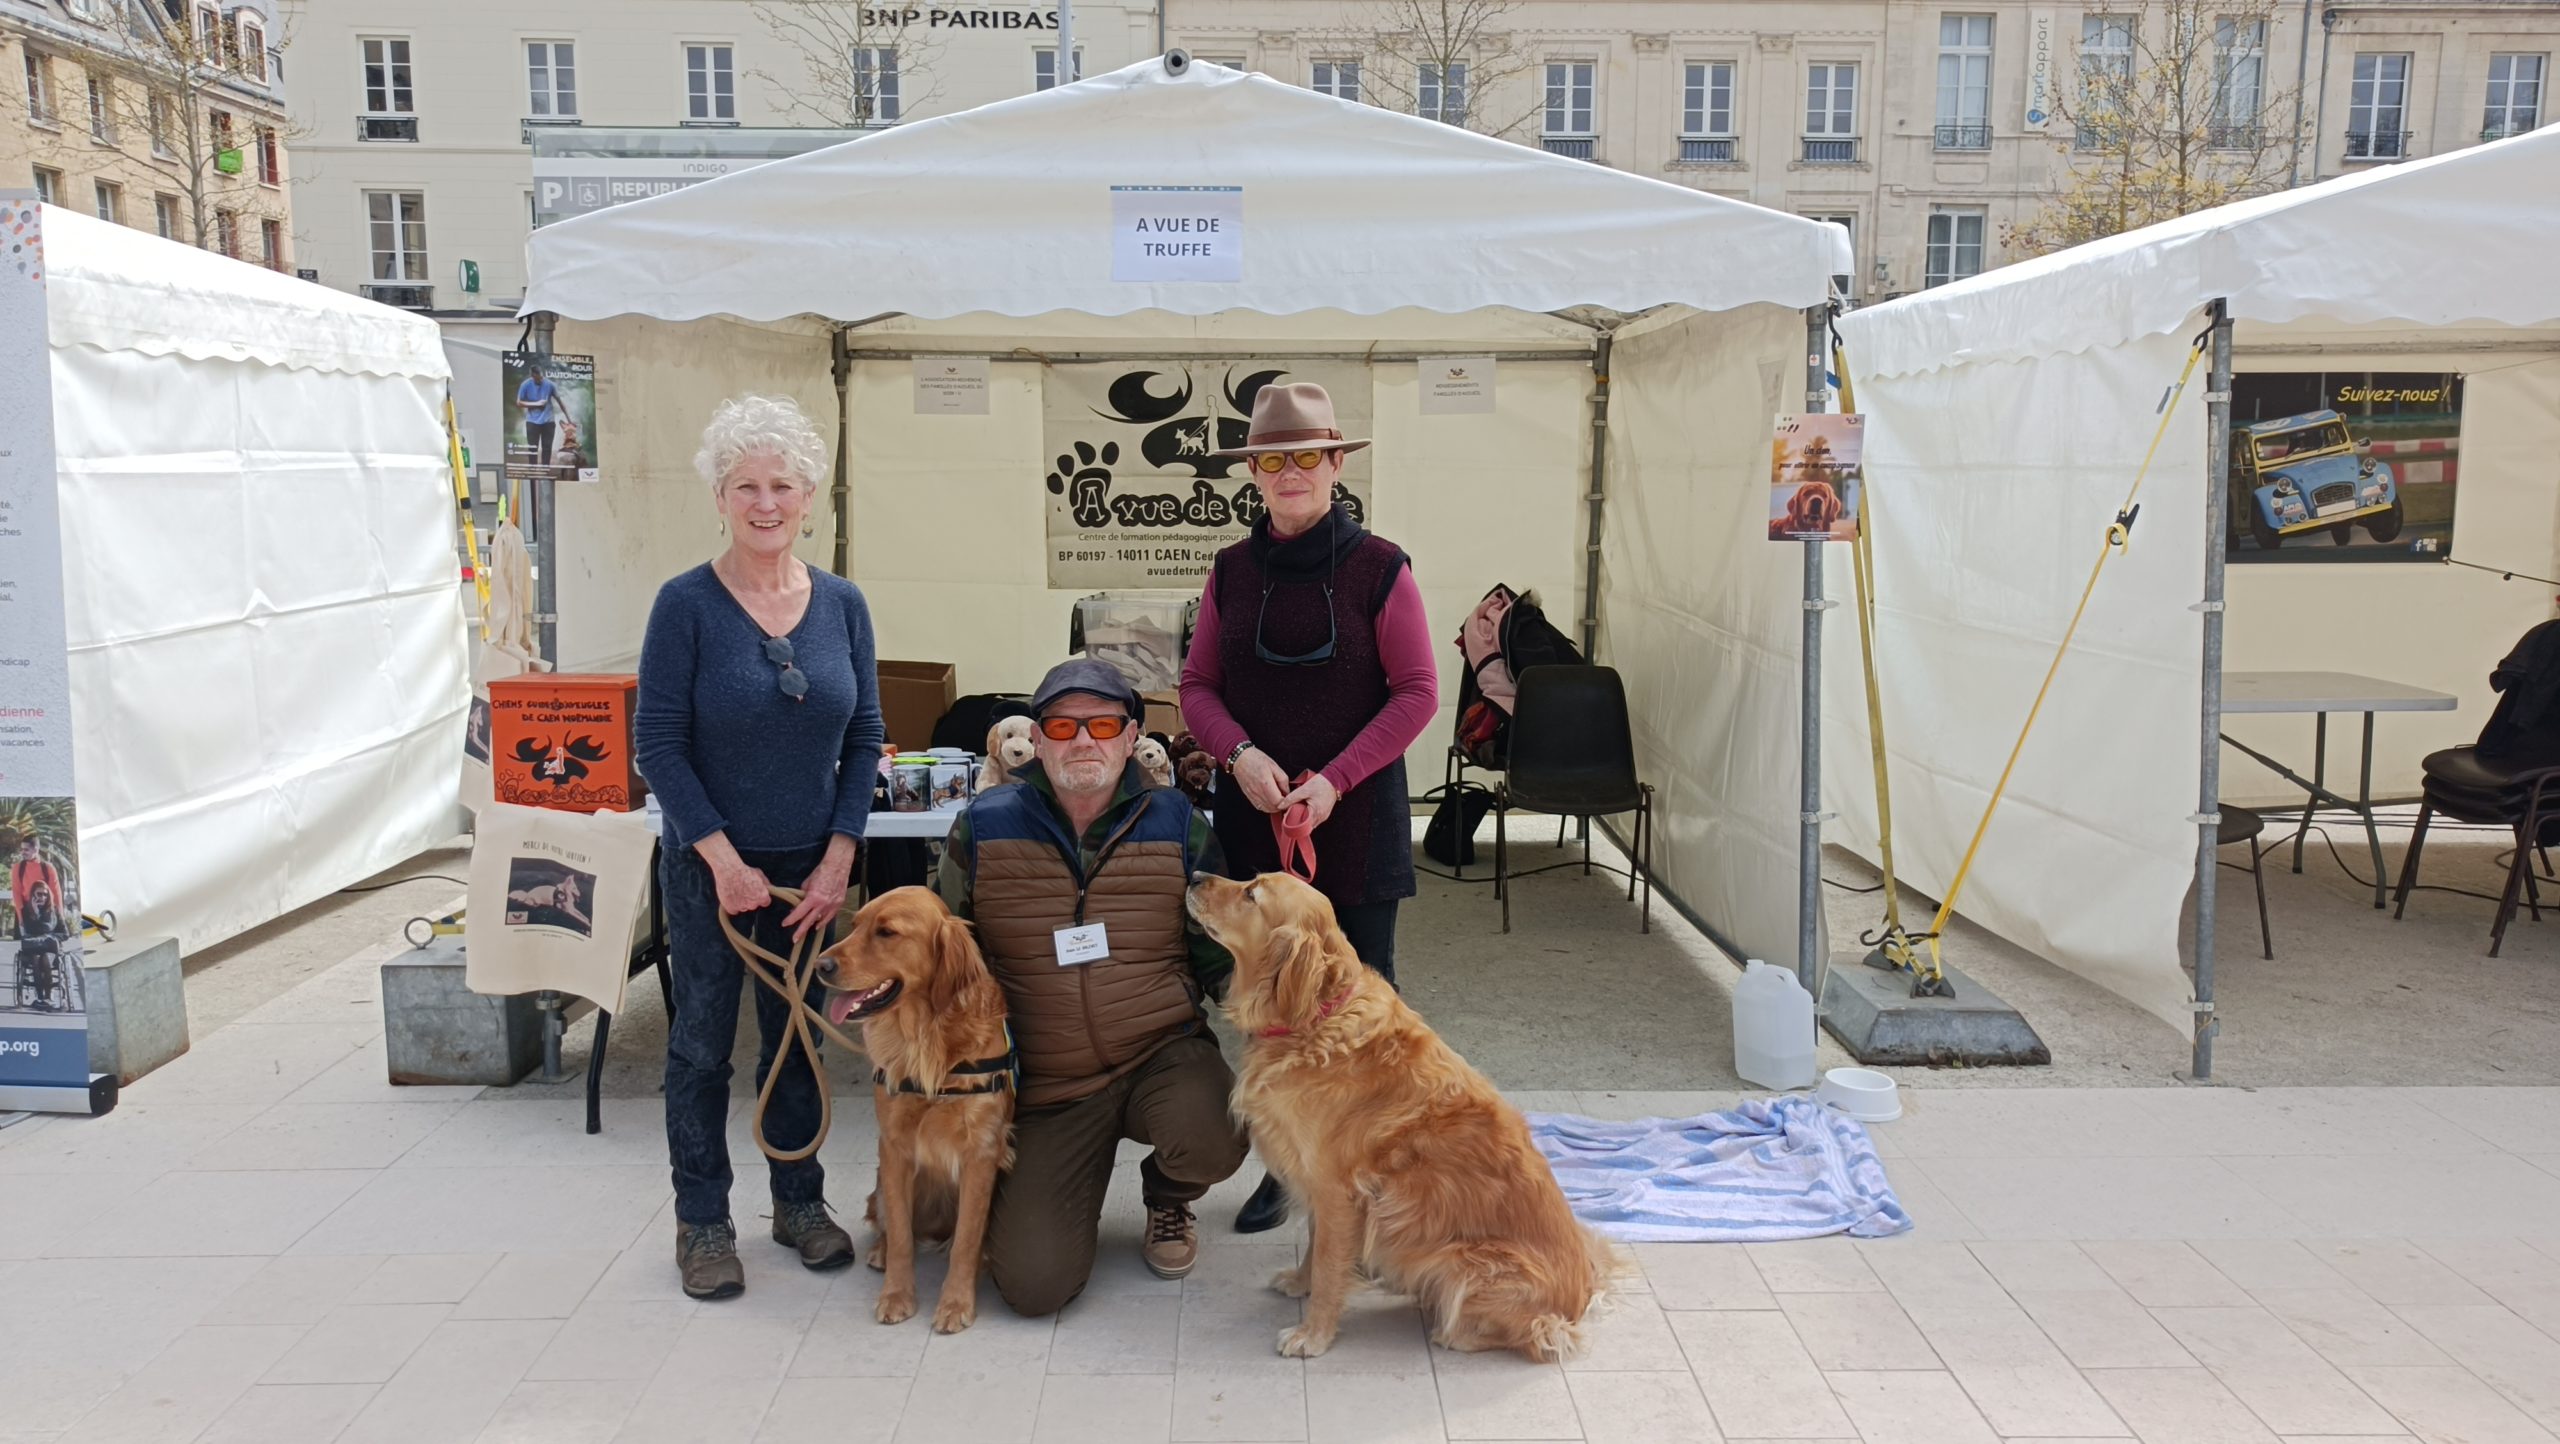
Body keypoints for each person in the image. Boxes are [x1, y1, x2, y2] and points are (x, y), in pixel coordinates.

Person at [636, 394, 886, 1302]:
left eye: (783, 484)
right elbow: (656, 743)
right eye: (747, 485)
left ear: (810, 495)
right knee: (703, 1046)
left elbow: (865, 736)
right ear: (719, 495)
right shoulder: (687, 606)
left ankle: (798, 1203)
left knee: (798, 1040)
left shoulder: (844, 605)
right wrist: (722, 860)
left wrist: (838, 855)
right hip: (714, 871)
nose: (766, 501)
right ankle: (702, 1222)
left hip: (809, 873)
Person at [1178, 381, 1440, 1235]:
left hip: (1352, 823)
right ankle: (1285, 1166)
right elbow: (1197, 688)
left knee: (1361, 1007)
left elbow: (1417, 693)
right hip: (1255, 820)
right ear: (1253, 472)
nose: (1289, 473)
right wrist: (1241, 757)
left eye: (1306, 457)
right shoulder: (1230, 571)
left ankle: (1376, 1170)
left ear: (1334, 465)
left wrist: (1335, 779)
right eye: (1271, 459)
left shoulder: (1382, 568)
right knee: (1266, 1001)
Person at [934, 658, 1246, 1311]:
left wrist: (1283, 1018)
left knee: (1222, 1127)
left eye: (1102, 725)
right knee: (1033, 1286)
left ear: (1132, 738)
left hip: (1160, 1053)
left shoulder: (1176, 823)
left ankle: (1168, 1194)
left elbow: (1219, 954)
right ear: (1037, 738)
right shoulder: (983, 827)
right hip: (1048, 1084)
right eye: (1062, 725)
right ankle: (1058, 1185)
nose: (1083, 740)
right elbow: (948, 958)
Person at [11, 836, 61, 930]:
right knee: (26, 943)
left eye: (26, 849)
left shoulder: (48, 868)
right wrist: (21, 919)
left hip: (45, 912)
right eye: (21, 849)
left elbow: (56, 894)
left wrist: (60, 919)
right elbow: (16, 894)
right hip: (25, 911)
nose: (22, 852)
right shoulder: (17, 868)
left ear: (36, 849)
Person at [517, 363, 560, 468]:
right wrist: (536, 404)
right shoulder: (525, 385)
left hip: (548, 421)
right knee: (532, 448)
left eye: (541, 378)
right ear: (532, 376)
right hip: (532, 421)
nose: (540, 380)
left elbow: (560, 402)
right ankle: (533, 470)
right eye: (537, 379)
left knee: (547, 447)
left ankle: (545, 469)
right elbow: (519, 403)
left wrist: (569, 419)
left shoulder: (550, 384)